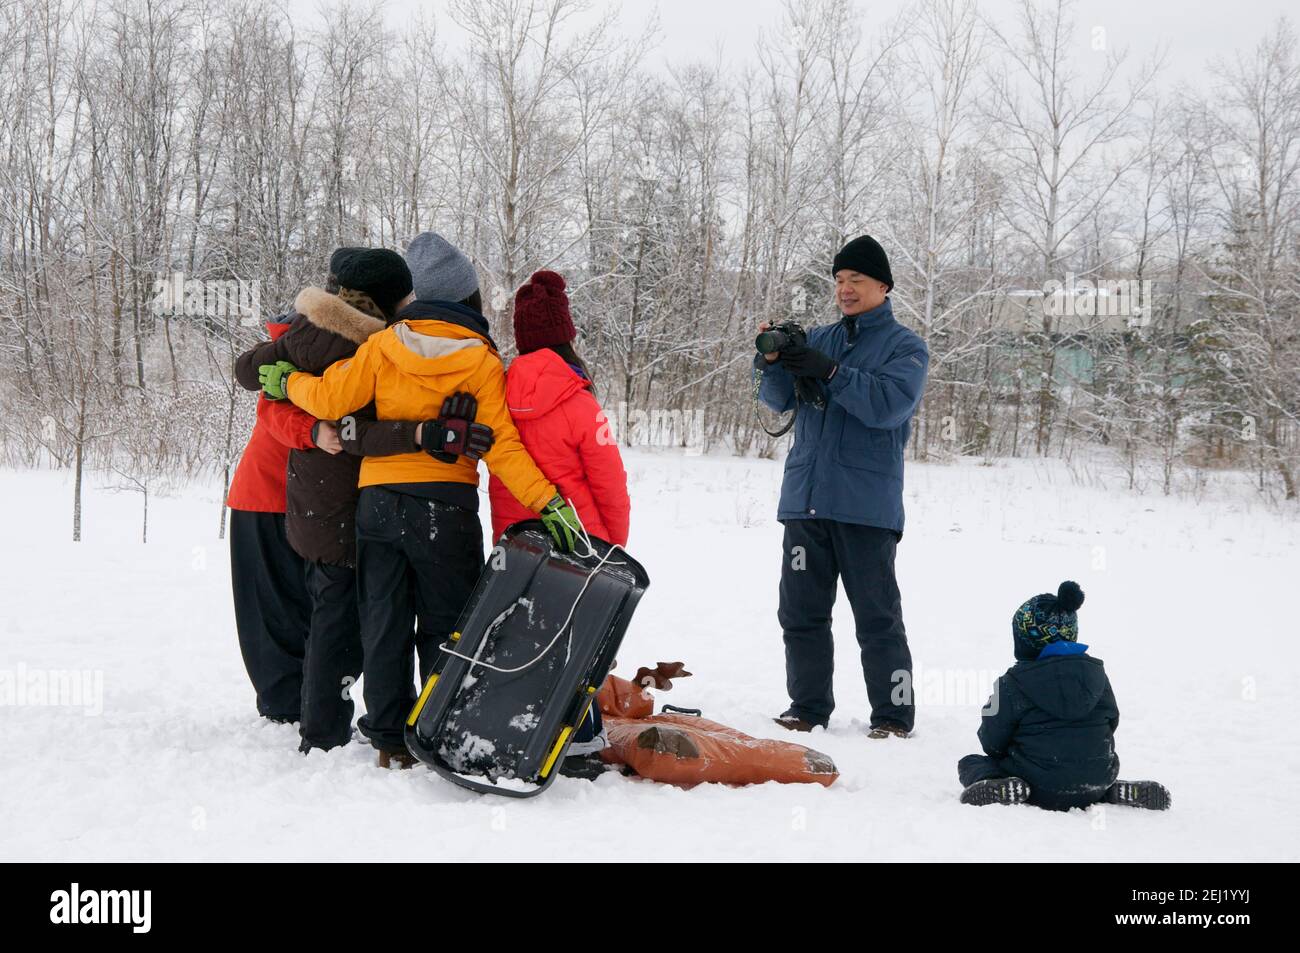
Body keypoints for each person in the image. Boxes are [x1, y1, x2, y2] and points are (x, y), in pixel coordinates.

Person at [258, 231, 579, 768]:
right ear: (468, 299)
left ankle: (387, 737)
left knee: (382, 620)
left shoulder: (386, 345)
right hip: (445, 506)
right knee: (446, 621)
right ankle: (440, 727)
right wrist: (548, 501)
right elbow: (501, 445)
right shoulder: (480, 360)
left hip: (377, 502)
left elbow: (332, 397)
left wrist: (288, 383)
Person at [235, 247, 437, 752]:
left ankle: (312, 711)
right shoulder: (310, 340)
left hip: (320, 499)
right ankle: (294, 710)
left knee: (320, 610)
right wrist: (317, 429)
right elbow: (265, 405)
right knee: (285, 614)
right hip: (269, 494)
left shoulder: (359, 346)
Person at [755, 234, 928, 739]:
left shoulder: (906, 348)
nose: (845, 289)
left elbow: (888, 406)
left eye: (856, 280)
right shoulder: (819, 336)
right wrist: (770, 363)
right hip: (806, 502)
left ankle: (894, 716)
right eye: (839, 280)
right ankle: (806, 707)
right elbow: (778, 400)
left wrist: (831, 371)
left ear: (883, 286)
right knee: (801, 613)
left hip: (865, 508)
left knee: (877, 618)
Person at [487, 269, 631, 776]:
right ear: (568, 337)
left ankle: (522, 727)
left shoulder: (498, 396)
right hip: (579, 543)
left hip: (518, 544)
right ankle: (583, 741)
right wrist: (614, 547)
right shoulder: (578, 401)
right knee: (578, 641)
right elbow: (609, 481)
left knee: (526, 635)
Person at [958, 581, 1172, 811]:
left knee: (970, 762)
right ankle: (1107, 791)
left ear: (1024, 641)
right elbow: (1111, 721)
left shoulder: (1012, 683)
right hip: (1097, 779)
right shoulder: (1098, 676)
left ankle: (1003, 785)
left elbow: (992, 742)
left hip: (1036, 785)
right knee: (1088, 771)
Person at [226, 318, 314, 725]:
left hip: (293, 499)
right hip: (265, 495)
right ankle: (283, 703)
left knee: (291, 602)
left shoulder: (301, 351)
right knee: (271, 606)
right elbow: (275, 416)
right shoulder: (293, 355)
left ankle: (296, 698)